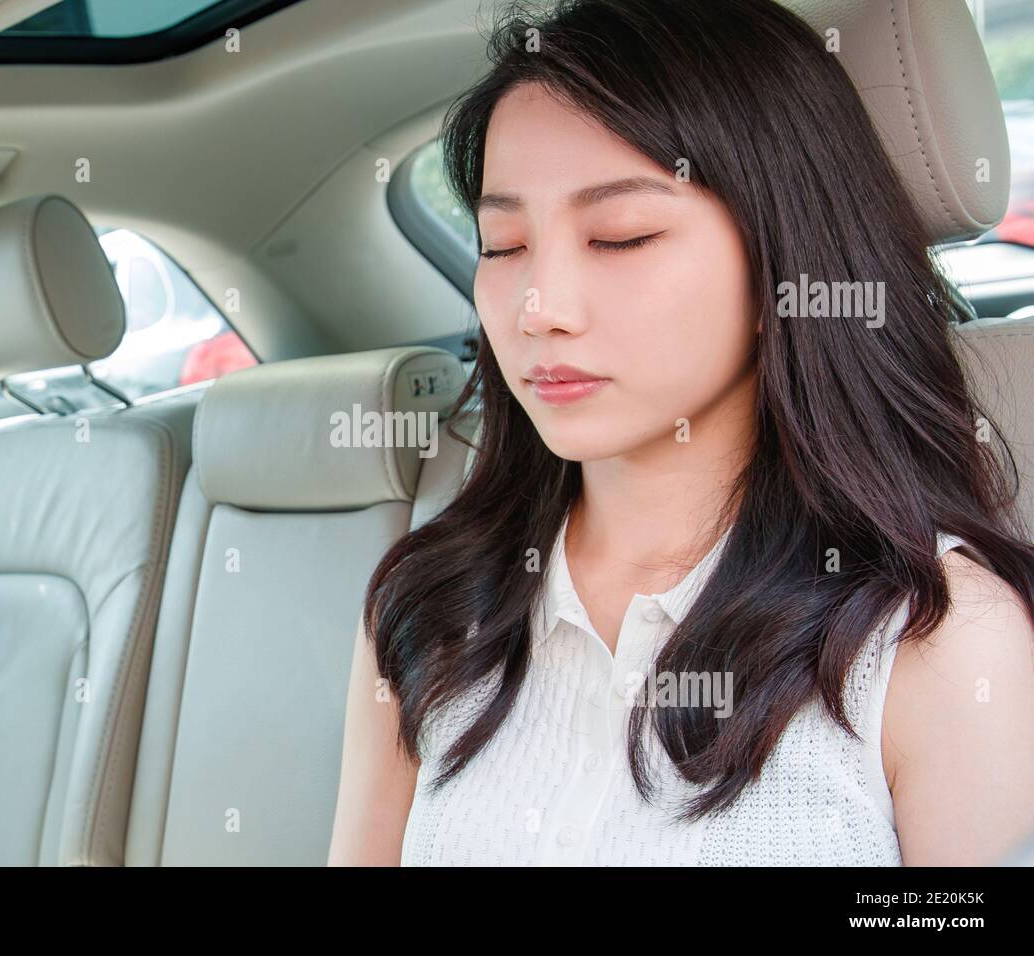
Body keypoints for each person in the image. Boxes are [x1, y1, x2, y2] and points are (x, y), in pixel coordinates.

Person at [328, 0, 1034, 866]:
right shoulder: (430, 606)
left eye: (621, 237)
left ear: (786, 259)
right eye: (502, 243)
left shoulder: (935, 639)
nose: (538, 309)